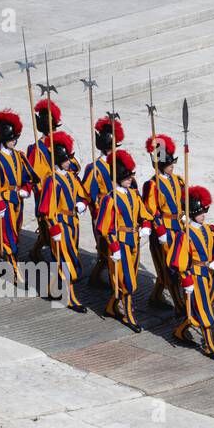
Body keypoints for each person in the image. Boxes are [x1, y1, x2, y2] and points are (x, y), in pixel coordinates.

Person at [94, 149, 153, 332]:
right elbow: (104, 227)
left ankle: (111, 306)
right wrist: (113, 246)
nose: (130, 179)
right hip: (119, 243)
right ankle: (128, 314)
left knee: (129, 277)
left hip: (133, 240)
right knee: (128, 282)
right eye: (126, 176)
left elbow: (144, 214)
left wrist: (145, 225)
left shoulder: (134, 195)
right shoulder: (110, 199)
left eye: (130, 175)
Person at [37, 130, 89, 312]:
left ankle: (52, 288)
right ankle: (70, 297)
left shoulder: (70, 177)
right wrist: (53, 228)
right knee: (66, 260)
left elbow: (82, 195)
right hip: (60, 224)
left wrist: (81, 204)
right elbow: (45, 209)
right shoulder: (52, 180)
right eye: (66, 159)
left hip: (72, 222)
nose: (70, 162)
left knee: (67, 256)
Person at [169, 186, 214, 360]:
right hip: (195, 275)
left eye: (204, 211)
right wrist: (186, 280)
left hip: (208, 274)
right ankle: (209, 345)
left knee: (205, 306)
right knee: (204, 310)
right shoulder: (185, 234)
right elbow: (179, 260)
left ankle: (180, 330)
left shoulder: (208, 229)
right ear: (192, 213)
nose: (203, 215)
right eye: (200, 212)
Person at [0, 110, 31, 280]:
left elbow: (27, 177)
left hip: (18, 201)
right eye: (11, 138)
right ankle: (16, 271)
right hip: (4, 203)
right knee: (8, 237)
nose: (14, 141)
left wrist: (26, 189)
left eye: (15, 137)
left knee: (13, 235)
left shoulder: (19, 156)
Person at [143, 132, 185, 311]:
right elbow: (151, 212)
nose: (172, 167)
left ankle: (155, 297)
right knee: (169, 270)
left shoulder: (179, 180)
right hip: (163, 232)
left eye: (172, 163)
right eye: (168, 164)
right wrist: (159, 231)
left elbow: (183, 201)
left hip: (178, 228)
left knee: (174, 267)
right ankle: (179, 306)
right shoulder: (152, 185)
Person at [82, 115, 123, 287]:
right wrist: (95, 209)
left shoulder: (119, 163)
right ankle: (97, 277)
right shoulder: (95, 168)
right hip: (102, 212)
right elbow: (88, 193)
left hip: (119, 212)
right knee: (105, 248)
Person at [26, 99, 63, 262]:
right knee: (48, 226)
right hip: (45, 193)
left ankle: (36, 250)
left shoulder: (59, 144)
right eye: (52, 128)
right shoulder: (36, 148)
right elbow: (34, 175)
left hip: (60, 191)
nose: (54, 131)